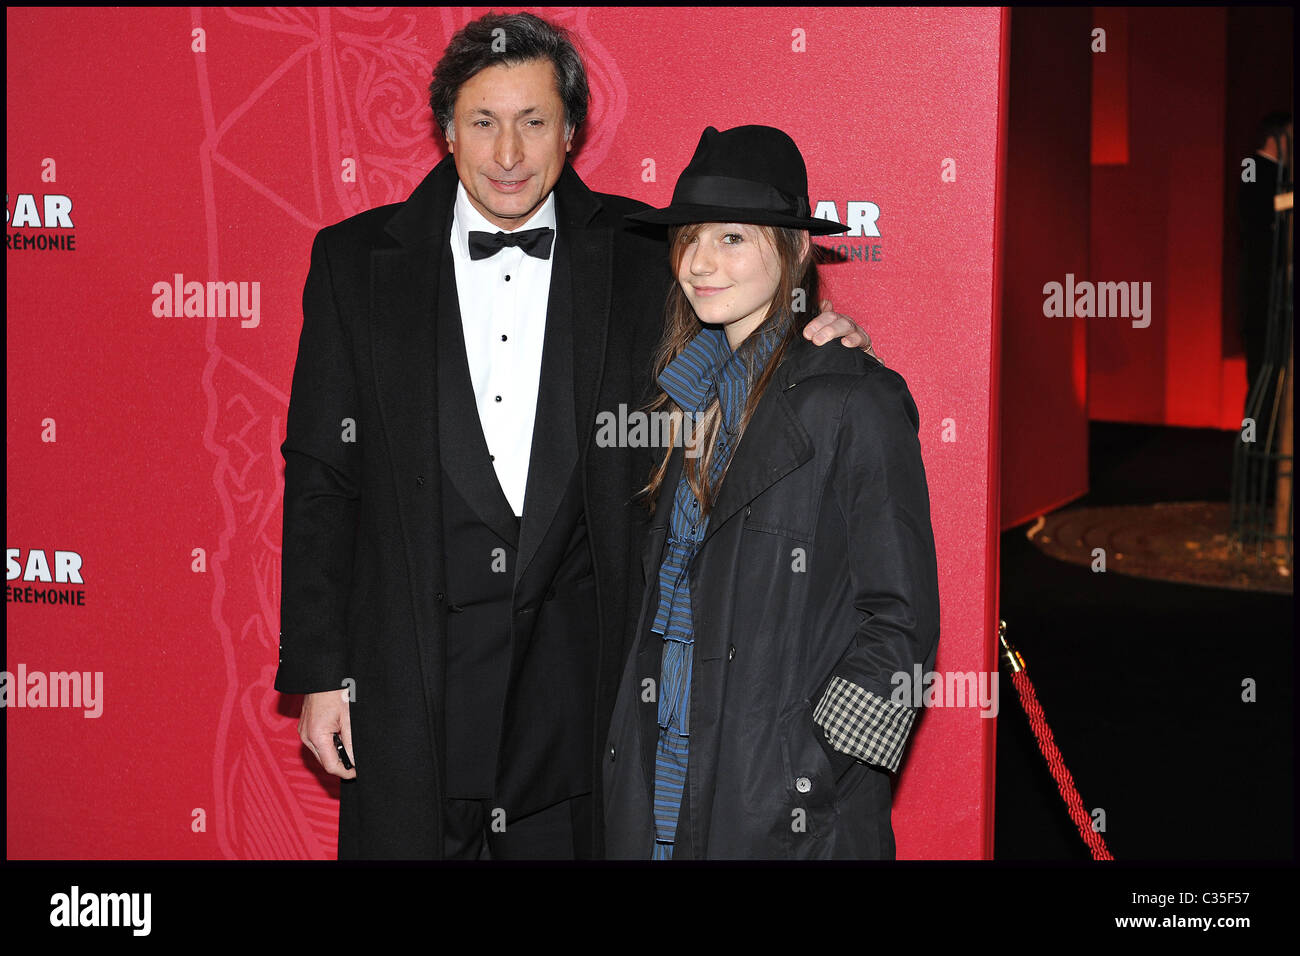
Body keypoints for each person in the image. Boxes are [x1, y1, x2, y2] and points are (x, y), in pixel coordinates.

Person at [274, 13, 874, 859]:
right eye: (483, 122)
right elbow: (321, 477)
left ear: (573, 130)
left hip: (576, 709)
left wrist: (818, 330)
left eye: (534, 121)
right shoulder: (353, 259)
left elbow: (743, 329)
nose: (508, 153)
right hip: (408, 684)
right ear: (446, 129)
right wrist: (317, 671)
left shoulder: (640, 252)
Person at [603, 125, 941, 859]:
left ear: (791, 252)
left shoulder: (856, 401)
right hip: (660, 791)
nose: (698, 262)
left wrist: (809, 775)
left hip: (783, 822)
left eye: (731, 239)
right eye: (688, 238)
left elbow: (902, 629)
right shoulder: (675, 399)